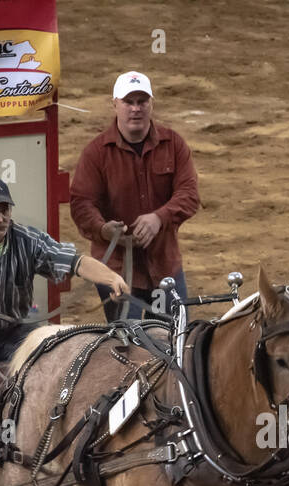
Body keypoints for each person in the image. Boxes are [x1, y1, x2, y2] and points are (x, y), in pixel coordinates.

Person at [0, 176, 129, 467]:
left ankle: (41, 438)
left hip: (15, 329)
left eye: (5, 210)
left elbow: (75, 262)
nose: (0, 218)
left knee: (51, 350)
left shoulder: (28, 239)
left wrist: (111, 278)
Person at [70, 71, 200, 318]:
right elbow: (81, 204)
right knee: (127, 345)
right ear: (115, 105)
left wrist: (159, 218)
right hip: (116, 270)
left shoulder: (174, 145)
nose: (136, 109)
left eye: (142, 101)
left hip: (164, 266)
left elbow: (189, 193)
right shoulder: (96, 153)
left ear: (152, 104)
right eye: (129, 102)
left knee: (172, 338)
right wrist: (103, 229)